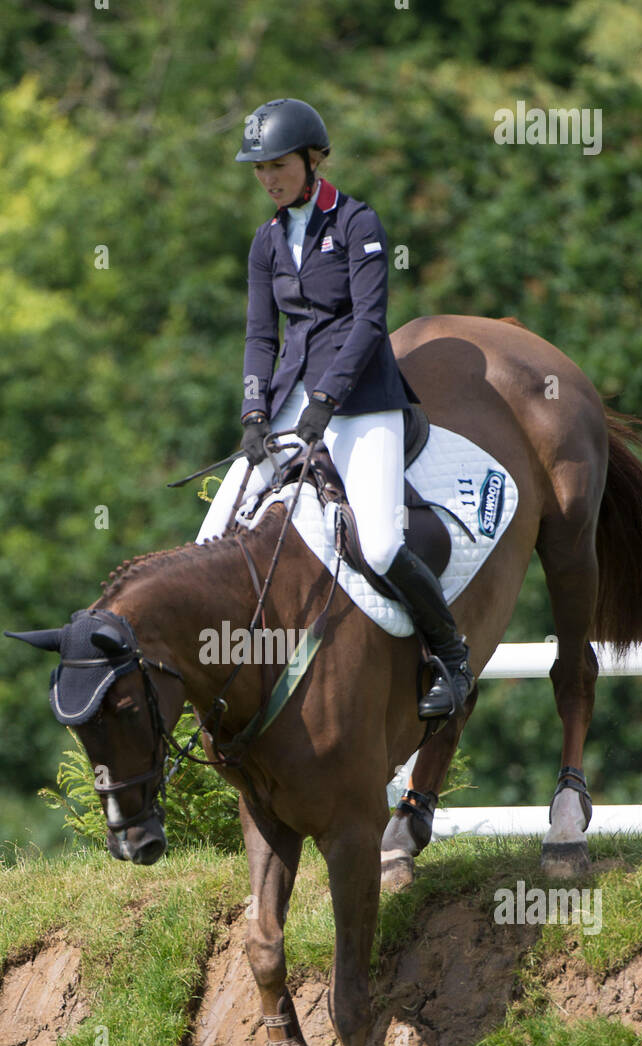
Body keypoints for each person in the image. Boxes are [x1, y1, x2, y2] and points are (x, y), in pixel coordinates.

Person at [196, 98, 475, 720]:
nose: (268, 178)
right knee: (210, 537)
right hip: (293, 393)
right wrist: (253, 413)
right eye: (259, 168)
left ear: (310, 159)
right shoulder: (266, 242)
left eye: (278, 165)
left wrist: (325, 400)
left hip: (364, 399)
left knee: (377, 545)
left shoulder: (355, 222)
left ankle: (452, 659)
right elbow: (260, 337)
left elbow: (370, 322)